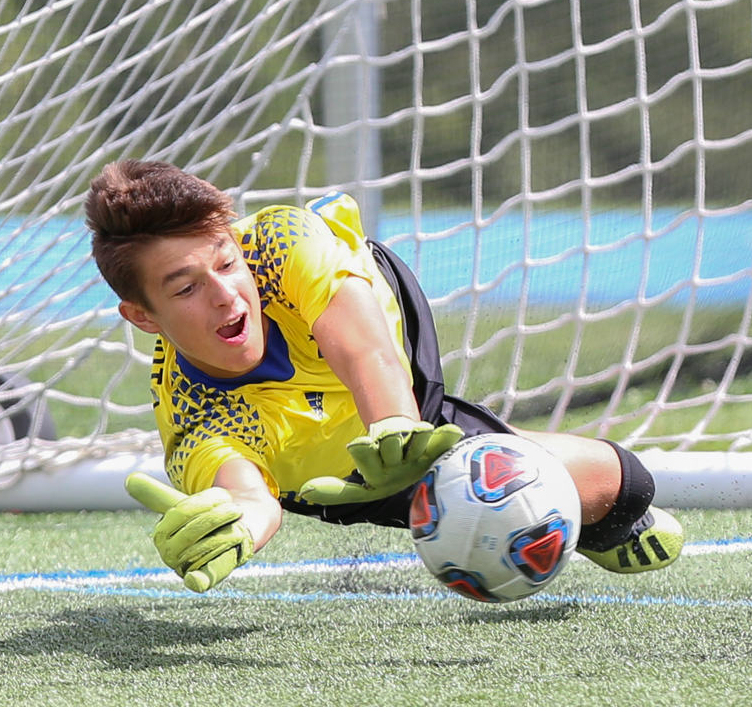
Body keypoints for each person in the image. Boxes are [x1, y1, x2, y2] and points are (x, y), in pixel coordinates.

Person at [85, 159, 684, 592]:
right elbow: (247, 493)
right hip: (335, 472)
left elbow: (365, 351)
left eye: (226, 261)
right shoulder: (195, 417)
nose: (225, 295)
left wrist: (396, 426)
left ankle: (593, 522)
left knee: (626, 487)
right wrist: (235, 524)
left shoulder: (279, 244)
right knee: (531, 486)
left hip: (392, 370)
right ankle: (431, 476)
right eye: (186, 288)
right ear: (141, 316)